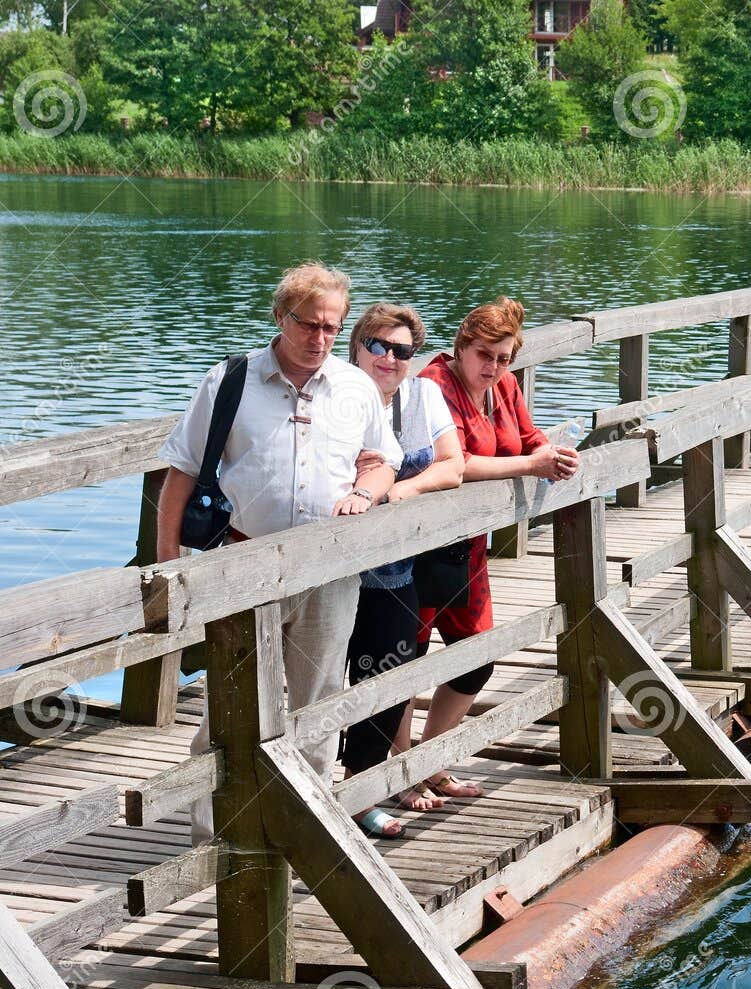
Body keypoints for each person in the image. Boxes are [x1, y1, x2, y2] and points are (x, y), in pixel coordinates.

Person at [157, 262, 402, 846]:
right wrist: (167, 562)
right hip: (243, 567)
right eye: (308, 325)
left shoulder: (355, 387)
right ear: (280, 316)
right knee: (229, 709)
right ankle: (213, 838)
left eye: (331, 328)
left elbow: (383, 459)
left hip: (328, 571)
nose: (319, 339)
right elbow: (182, 471)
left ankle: (304, 836)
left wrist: (365, 492)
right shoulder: (230, 382)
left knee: (317, 709)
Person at [400, 297, 579, 808]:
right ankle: (397, 774)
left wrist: (555, 453)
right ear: (460, 346)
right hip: (419, 544)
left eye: (503, 358)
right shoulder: (433, 386)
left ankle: (432, 761)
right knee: (404, 661)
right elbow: (456, 464)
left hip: (469, 546)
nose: (493, 367)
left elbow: (527, 438)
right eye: (484, 355)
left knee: (475, 659)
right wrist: (530, 466)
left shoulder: (504, 385)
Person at [339, 303, 466, 836]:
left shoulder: (421, 395)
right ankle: (313, 797)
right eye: (378, 346)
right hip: (332, 563)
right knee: (320, 685)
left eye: (402, 351)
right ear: (358, 346)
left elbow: (453, 464)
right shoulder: (336, 393)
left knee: (389, 674)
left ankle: (361, 790)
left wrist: (402, 490)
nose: (389, 358)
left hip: (393, 568)